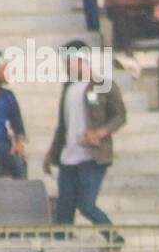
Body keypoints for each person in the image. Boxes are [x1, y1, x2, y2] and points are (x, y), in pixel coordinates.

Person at [45, 42, 127, 226]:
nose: (66, 67)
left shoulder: (103, 84)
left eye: (68, 62)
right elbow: (63, 125)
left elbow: (120, 115)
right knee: (64, 210)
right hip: (69, 157)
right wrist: (52, 153)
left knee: (86, 205)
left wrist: (100, 133)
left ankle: (113, 237)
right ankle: (61, 247)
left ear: (81, 61)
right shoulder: (68, 88)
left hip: (92, 156)